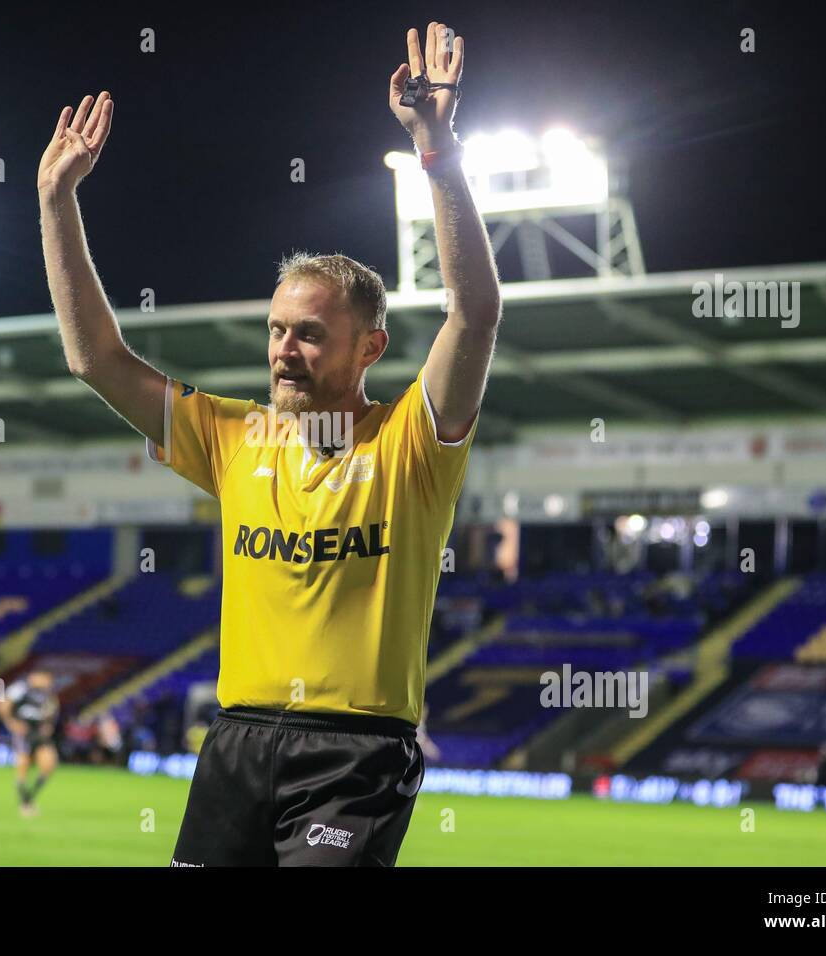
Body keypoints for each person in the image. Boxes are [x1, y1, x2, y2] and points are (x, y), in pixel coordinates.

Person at [39, 19, 498, 866]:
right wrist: (57, 203)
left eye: (311, 334)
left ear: (370, 347)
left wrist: (439, 150)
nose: (284, 349)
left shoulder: (410, 445)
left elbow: (473, 314)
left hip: (355, 754)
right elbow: (94, 358)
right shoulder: (233, 437)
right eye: (277, 330)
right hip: (238, 744)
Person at [0, 669, 59, 816]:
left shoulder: (48, 694)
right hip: (23, 731)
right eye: (45, 678)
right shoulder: (21, 688)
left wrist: (48, 724)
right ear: (34, 676)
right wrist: (11, 722)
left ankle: (29, 798)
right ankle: (25, 803)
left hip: (39, 732)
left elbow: (53, 709)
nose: (48, 682)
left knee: (49, 764)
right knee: (23, 764)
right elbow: (3, 703)